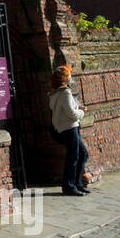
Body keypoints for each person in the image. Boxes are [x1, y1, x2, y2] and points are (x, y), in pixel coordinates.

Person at [48, 65, 91, 196]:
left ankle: (76, 183)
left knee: (82, 154)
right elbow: (71, 113)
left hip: (64, 128)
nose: (70, 77)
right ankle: (69, 186)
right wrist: (81, 112)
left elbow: (64, 109)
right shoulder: (65, 92)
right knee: (73, 157)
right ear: (65, 78)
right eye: (69, 75)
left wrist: (77, 106)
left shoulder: (54, 93)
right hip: (69, 128)